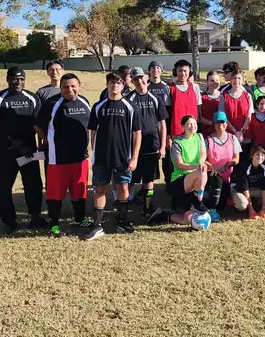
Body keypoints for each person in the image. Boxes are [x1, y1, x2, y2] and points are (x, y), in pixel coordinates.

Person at [83, 72, 142, 241]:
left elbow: (137, 134)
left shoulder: (131, 107)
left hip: (123, 157)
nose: (114, 85)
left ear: (123, 85)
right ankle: (98, 225)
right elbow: (93, 131)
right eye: (111, 82)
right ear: (107, 84)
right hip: (102, 158)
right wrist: (95, 151)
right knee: (100, 189)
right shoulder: (98, 106)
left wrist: (134, 158)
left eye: (118, 83)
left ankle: (122, 222)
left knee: (123, 188)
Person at [0, 67, 46, 232]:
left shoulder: (33, 98)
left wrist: (29, 145)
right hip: (5, 151)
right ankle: (9, 221)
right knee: (3, 187)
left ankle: (35, 216)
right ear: (8, 79)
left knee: (33, 184)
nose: (18, 82)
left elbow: (37, 123)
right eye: (14, 79)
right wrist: (17, 144)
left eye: (21, 79)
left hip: (29, 150)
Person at [35, 73, 91, 236]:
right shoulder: (52, 104)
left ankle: (79, 219)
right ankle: (54, 224)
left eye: (73, 86)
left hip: (81, 157)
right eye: (66, 87)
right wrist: (49, 141)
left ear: (79, 86)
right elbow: (38, 126)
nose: (70, 90)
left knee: (79, 190)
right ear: (60, 88)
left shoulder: (85, 102)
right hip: (58, 159)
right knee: (55, 193)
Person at [146, 115, 209, 227]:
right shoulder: (177, 143)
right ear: (183, 126)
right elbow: (180, 164)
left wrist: (200, 162)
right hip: (179, 182)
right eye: (189, 124)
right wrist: (196, 167)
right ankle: (198, 201)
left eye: (194, 123)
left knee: (187, 220)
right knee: (202, 173)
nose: (192, 126)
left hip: (194, 182)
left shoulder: (199, 136)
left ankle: (163, 215)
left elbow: (203, 154)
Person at [126, 67, 168, 217]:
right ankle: (125, 206)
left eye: (141, 78)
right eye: (135, 79)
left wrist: (162, 146)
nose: (139, 81)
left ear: (146, 77)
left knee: (149, 179)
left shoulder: (156, 99)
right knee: (130, 178)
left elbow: (162, 124)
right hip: (134, 148)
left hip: (152, 146)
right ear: (132, 81)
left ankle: (147, 208)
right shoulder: (128, 100)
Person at [204, 111, 241, 222]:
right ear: (214, 125)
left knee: (222, 205)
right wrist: (213, 168)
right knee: (217, 181)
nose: (220, 124)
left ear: (226, 124)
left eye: (222, 122)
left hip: (227, 175)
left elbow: (236, 158)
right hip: (212, 174)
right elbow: (202, 159)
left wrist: (225, 166)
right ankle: (212, 211)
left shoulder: (232, 138)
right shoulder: (208, 140)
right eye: (217, 122)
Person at [231, 145, 265, 219]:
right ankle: (240, 205)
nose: (260, 157)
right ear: (252, 156)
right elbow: (245, 189)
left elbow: (264, 188)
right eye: (257, 154)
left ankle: (257, 204)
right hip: (239, 189)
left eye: (262, 155)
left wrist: (264, 207)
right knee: (242, 205)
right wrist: (251, 210)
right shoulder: (245, 167)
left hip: (254, 189)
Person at [219, 70, 254, 157]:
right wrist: (235, 132)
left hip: (245, 134)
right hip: (230, 134)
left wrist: (242, 131)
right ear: (230, 80)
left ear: (243, 80)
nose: (236, 80)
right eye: (234, 78)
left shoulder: (248, 96)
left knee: (244, 160)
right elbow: (223, 117)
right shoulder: (224, 96)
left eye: (239, 78)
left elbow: (249, 115)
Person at [247, 96, 265, 160]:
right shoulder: (251, 115)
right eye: (261, 104)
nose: (263, 106)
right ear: (257, 104)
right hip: (253, 144)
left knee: (264, 160)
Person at [200, 71, 221, 138]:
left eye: (217, 80)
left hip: (221, 131)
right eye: (212, 80)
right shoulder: (201, 96)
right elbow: (198, 116)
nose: (215, 82)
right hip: (206, 132)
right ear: (207, 82)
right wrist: (212, 124)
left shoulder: (224, 96)